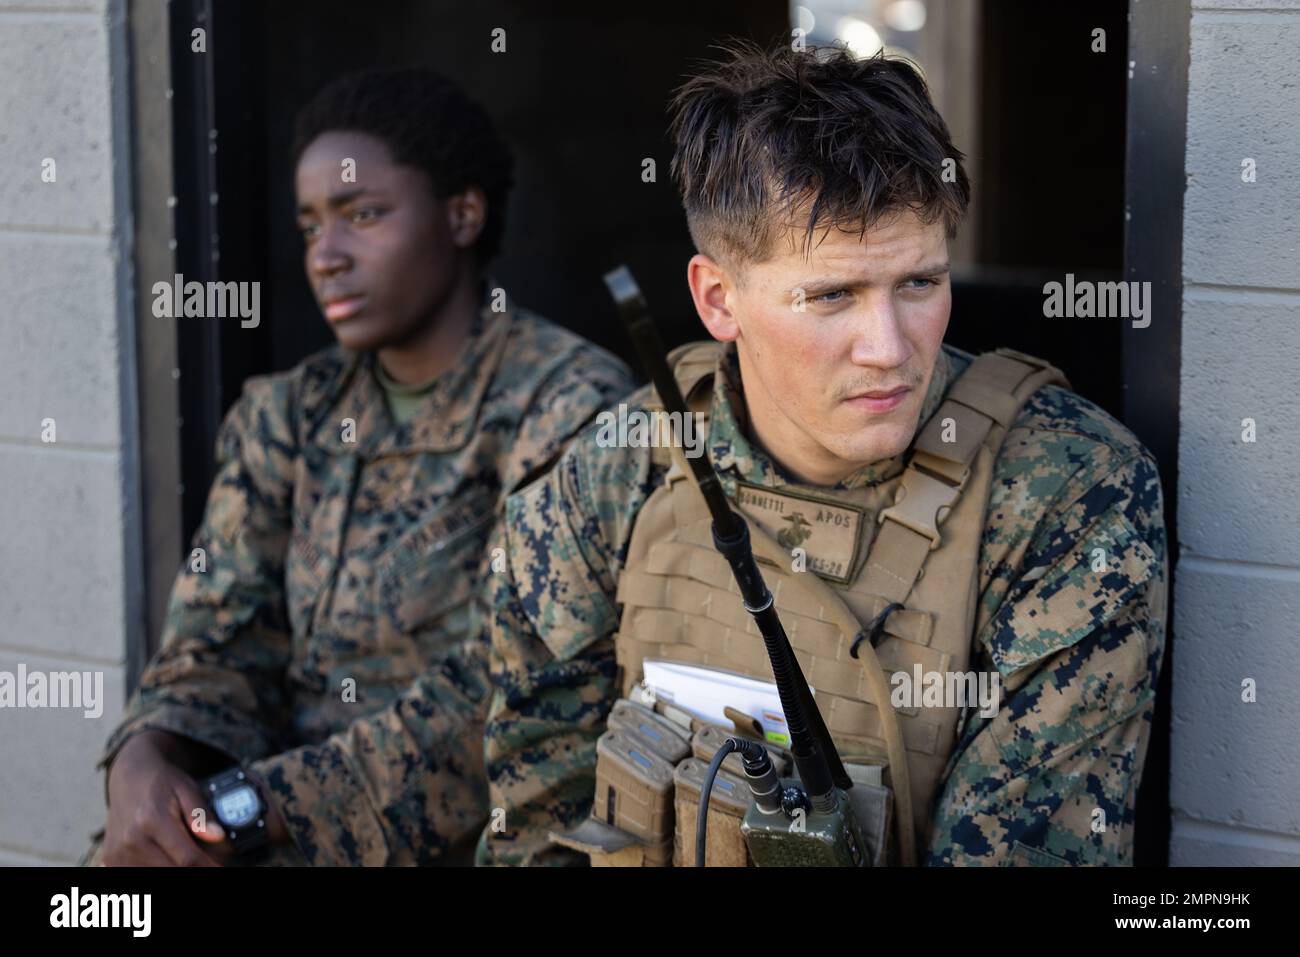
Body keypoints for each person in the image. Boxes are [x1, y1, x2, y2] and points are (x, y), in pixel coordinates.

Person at [476, 43, 1167, 867]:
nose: (888, 348)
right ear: (718, 299)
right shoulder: (627, 464)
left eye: (919, 283)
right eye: (833, 295)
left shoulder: (1065, 494)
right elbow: (538, 818)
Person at [88, 67, 633, 866]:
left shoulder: (570, 406)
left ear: (462, 214)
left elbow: (511, 701)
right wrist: (141, 757)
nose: (327, 257)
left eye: (363, 215)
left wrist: (251, 806)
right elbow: (217, 637)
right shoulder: (292, 411)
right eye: (311, 227)